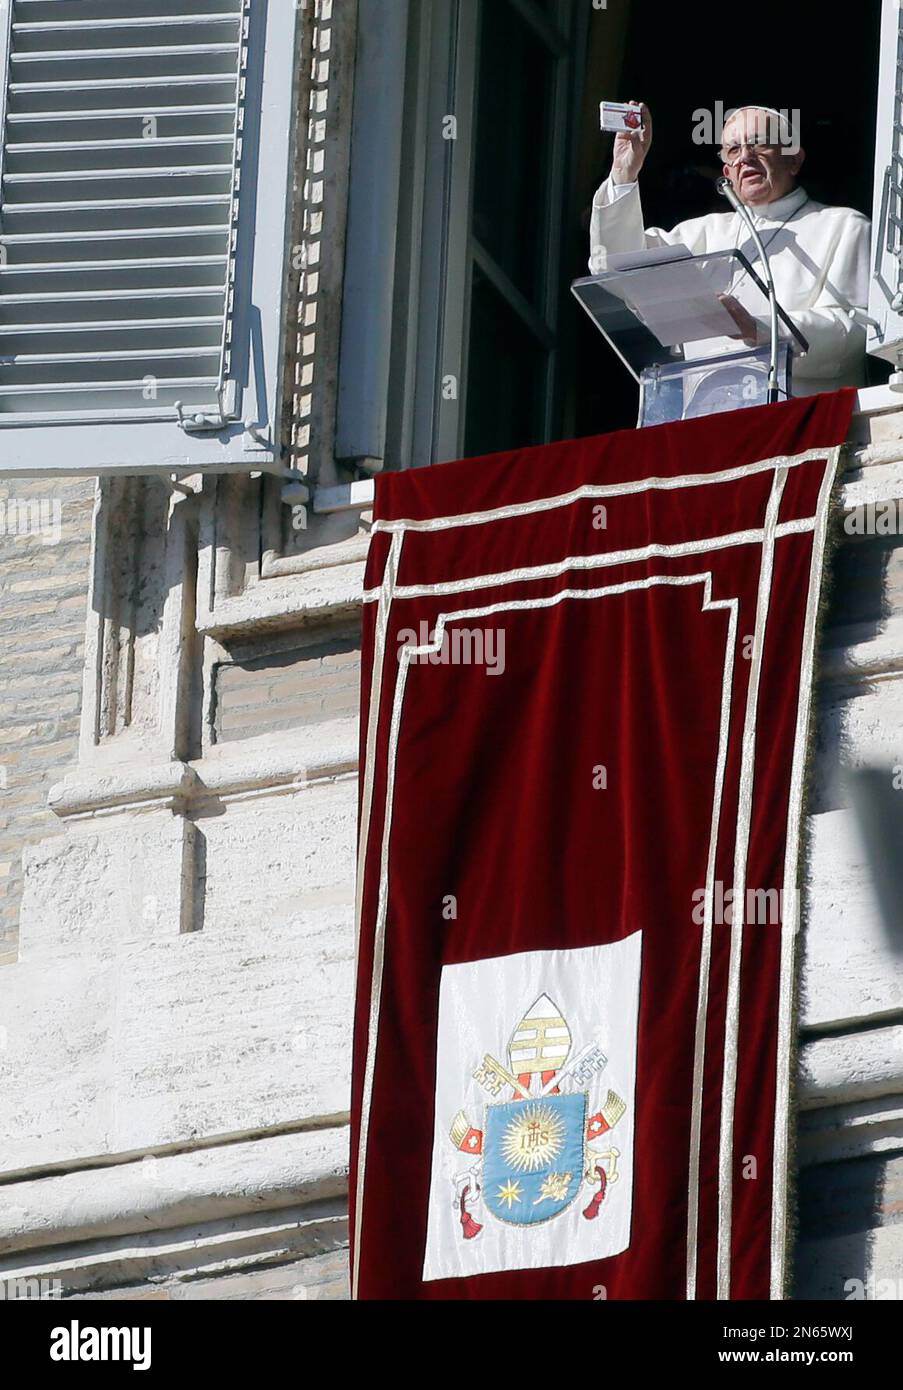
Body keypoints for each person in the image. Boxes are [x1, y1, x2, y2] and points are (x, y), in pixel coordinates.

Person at [589, 105, 871, 395]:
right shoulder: (701, 233)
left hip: (799, 417)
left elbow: (855, 332)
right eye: (734, 150)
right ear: (727, 172)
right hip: (706, 417)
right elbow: (615, 267)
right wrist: (623, 174)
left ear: (794, 159)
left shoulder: (844, 226)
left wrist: (758, 328)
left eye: (759, 143)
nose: (745, 157)